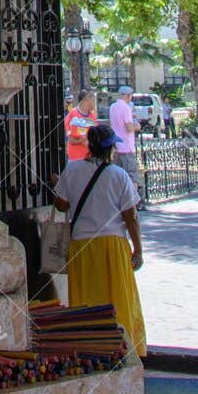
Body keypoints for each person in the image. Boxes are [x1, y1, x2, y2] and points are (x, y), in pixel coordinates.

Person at [53, 123, 146, 358]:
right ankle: (122, 348)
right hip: (112, 246)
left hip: (81, 245)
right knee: (117, 299)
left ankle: (87, 349)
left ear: (90, 146)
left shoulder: (72, 170)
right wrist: (138, 250)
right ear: (111, 148)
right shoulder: (119, 175)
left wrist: (56, 183)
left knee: (85, 299)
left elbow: (61, 204)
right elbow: (131, 217)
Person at [109, 85, 143, 207]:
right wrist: (137, 126)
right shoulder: (125, 108)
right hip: (127, 147)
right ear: (128, 95)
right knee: (132, 176)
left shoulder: (112, 107)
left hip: (116, 146)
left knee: (118, 176)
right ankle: (132, 203)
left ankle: (117, 201)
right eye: (131, 96)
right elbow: (129, 128)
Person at [64, 89, 96, 163]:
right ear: (87, 100)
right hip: (76, 159)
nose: (95, 102)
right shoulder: (72, 115)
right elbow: (71, 140)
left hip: (89, 159)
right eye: (93, 99)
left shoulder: (92, 116)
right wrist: (83, 140)